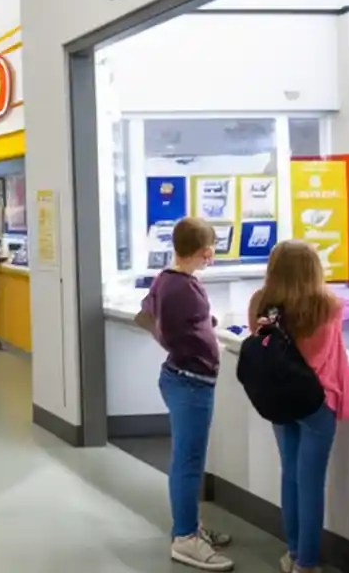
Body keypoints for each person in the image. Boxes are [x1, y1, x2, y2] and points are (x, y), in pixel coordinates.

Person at [248, 241, 349, 573]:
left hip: (281, 400)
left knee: (290, 476)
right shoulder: (328, 306)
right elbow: (325, 357)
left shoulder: (262, 305)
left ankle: (294, 553)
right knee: (311, 483)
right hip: (317, 404)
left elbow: (263, 344)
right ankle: (307, 565)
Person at [135, 217, 232, 571]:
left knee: (188, 461)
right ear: (207, 252)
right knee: (188, 464)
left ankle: (190, 526)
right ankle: (186, 538)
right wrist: (190, 340)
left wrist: (203, 325)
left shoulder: (169, 279)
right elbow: (163, 326)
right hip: (190, 381)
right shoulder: (182, 288)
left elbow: (149, 315)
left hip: (184, 378)